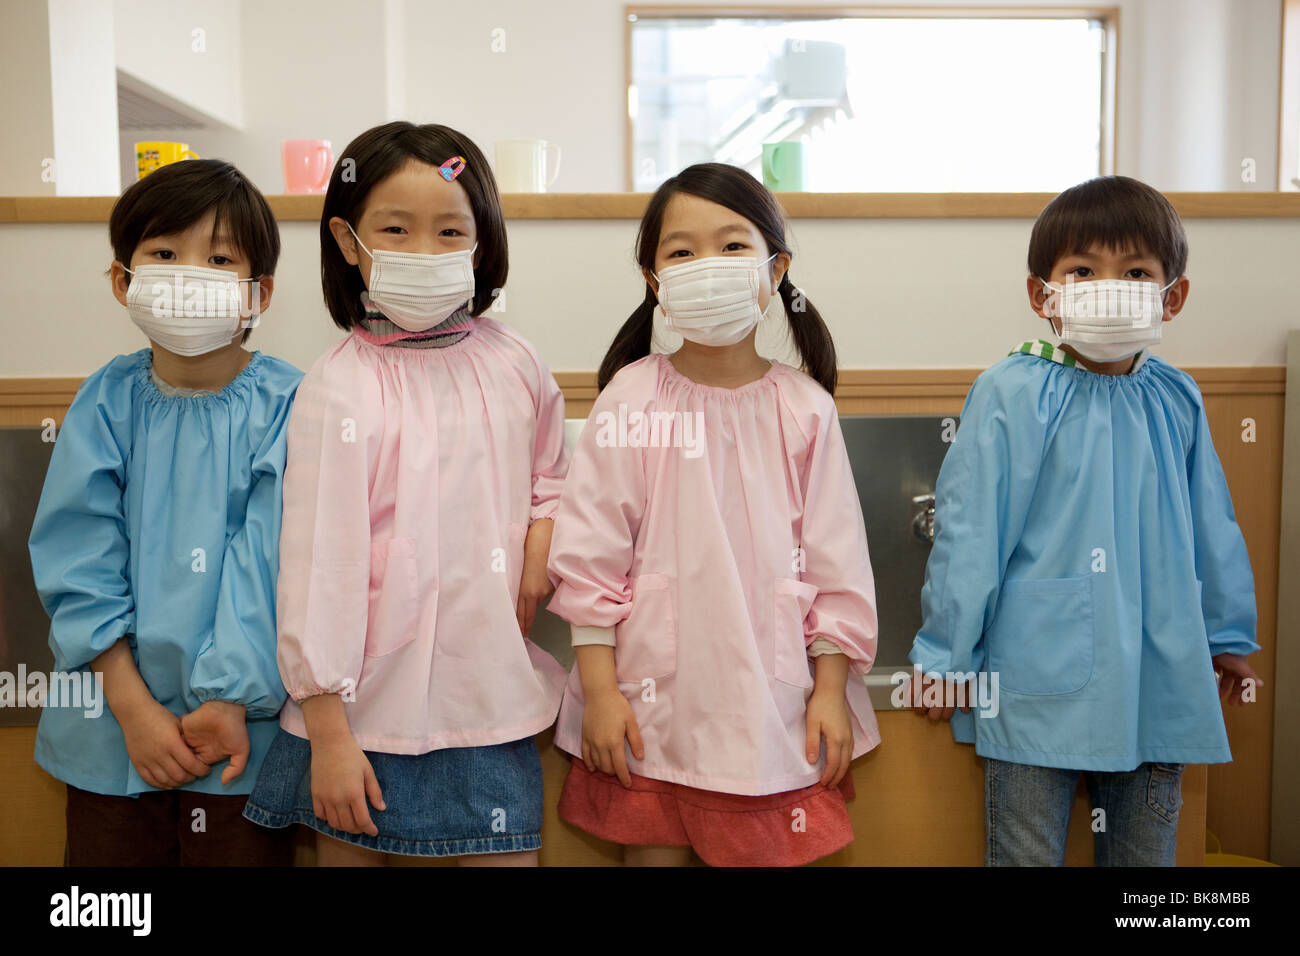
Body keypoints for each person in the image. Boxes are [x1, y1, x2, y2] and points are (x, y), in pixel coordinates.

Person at [909, 175, 1262, 866]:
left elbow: (1211, 528)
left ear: (1173, 295)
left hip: (1159, 680)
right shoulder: (1011, 391)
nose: (1109, 285)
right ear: (1043, 295)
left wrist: (1225, 634)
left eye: (1135, 271)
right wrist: (945, 658)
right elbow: (971, 532)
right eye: (1082, 270)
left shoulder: (1176, 399)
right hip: (1035, 680)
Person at [242, 122, 568, 865]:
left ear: (482, 242)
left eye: (451, 230)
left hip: (489, 701)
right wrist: (326, 730)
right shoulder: (336, 383)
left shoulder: (516, 363)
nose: (425, 251)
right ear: (349, 241)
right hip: (359, 717)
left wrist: (539, 549)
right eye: (396, 228)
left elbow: (553, 473)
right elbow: (317, 564)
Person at [546, 162, 880, 867]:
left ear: (775, 268)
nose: (709, 266)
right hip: (648, 707)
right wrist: (601, 694)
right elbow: (589, 557)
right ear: (653, 279)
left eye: (733, 246)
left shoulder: (805, 410)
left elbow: (836, 561)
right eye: (681, 251)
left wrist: (830, 691)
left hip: (774, 706)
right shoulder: (631, 401)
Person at [29, 158, 302, 865]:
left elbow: (270, 557)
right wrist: (129, 703)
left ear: (257, 292)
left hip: (244, 732)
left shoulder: (294, 406)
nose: (188, 273)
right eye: (164, 253)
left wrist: (230, 696)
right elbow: (77, 552)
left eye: (218, 258)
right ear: (124, 279)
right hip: (111, 725)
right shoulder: (105, 400)